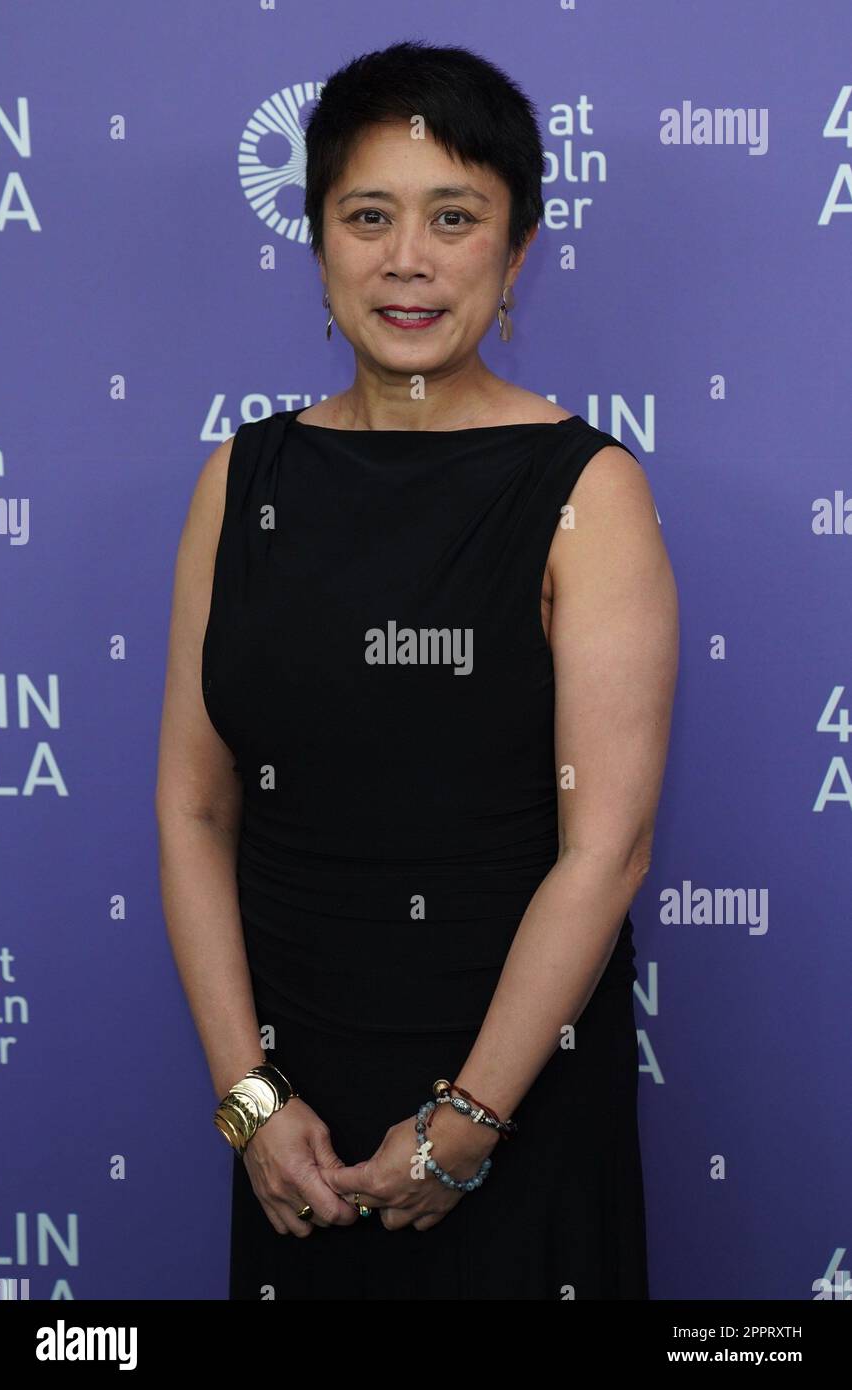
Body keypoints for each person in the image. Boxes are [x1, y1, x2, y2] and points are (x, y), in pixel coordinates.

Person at [155, 39, 678, 1300]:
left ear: (515, 250)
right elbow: (193, 803)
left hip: (516, 1097)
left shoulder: (583, 491)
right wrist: (248, 1103)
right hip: (294, 1123)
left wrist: (465, 1125)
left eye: (454, 217)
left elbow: (601, 848)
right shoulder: (243, 480)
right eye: (367, 215)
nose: (406, 259)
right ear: (319, 237)